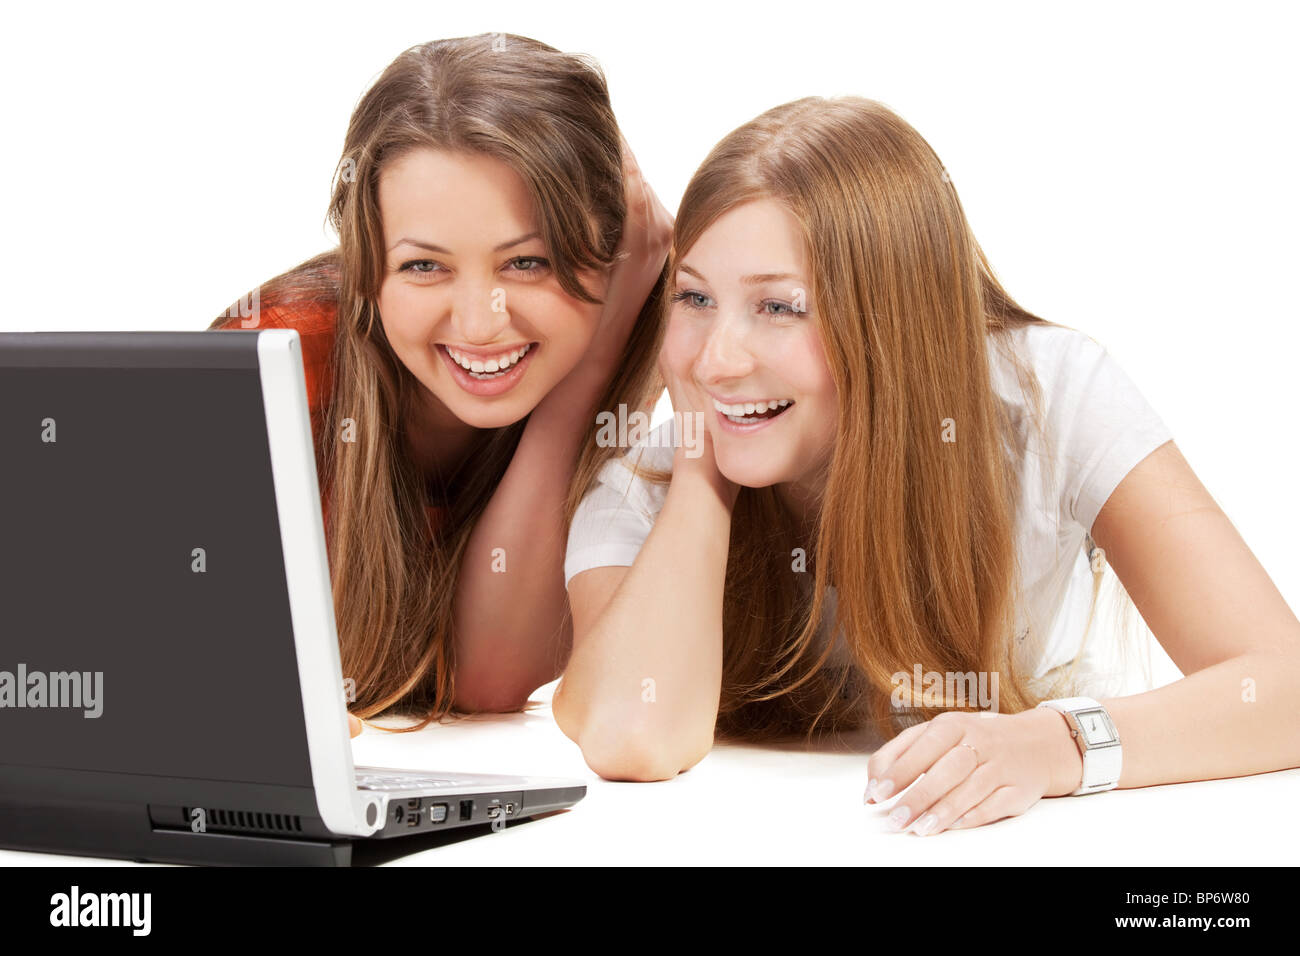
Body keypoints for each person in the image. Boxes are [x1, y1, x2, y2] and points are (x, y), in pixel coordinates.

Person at [555, 96, 1300, 836]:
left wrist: (1051, 746)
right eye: (695, 298)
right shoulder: (649, 470)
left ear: (889, 320)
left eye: (779, 308)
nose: (717, 360)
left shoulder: (1052, 397)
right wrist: (701, 481)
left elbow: (1281, 685)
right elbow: (632, 733)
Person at [210, 34, 670, 736]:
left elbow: (489, 680)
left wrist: (597, 367)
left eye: (528, 262)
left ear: (613, 259)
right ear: (368, 266)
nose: (480, 323)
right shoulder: (276, 359)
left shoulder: (616, 353)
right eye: (425, 267)